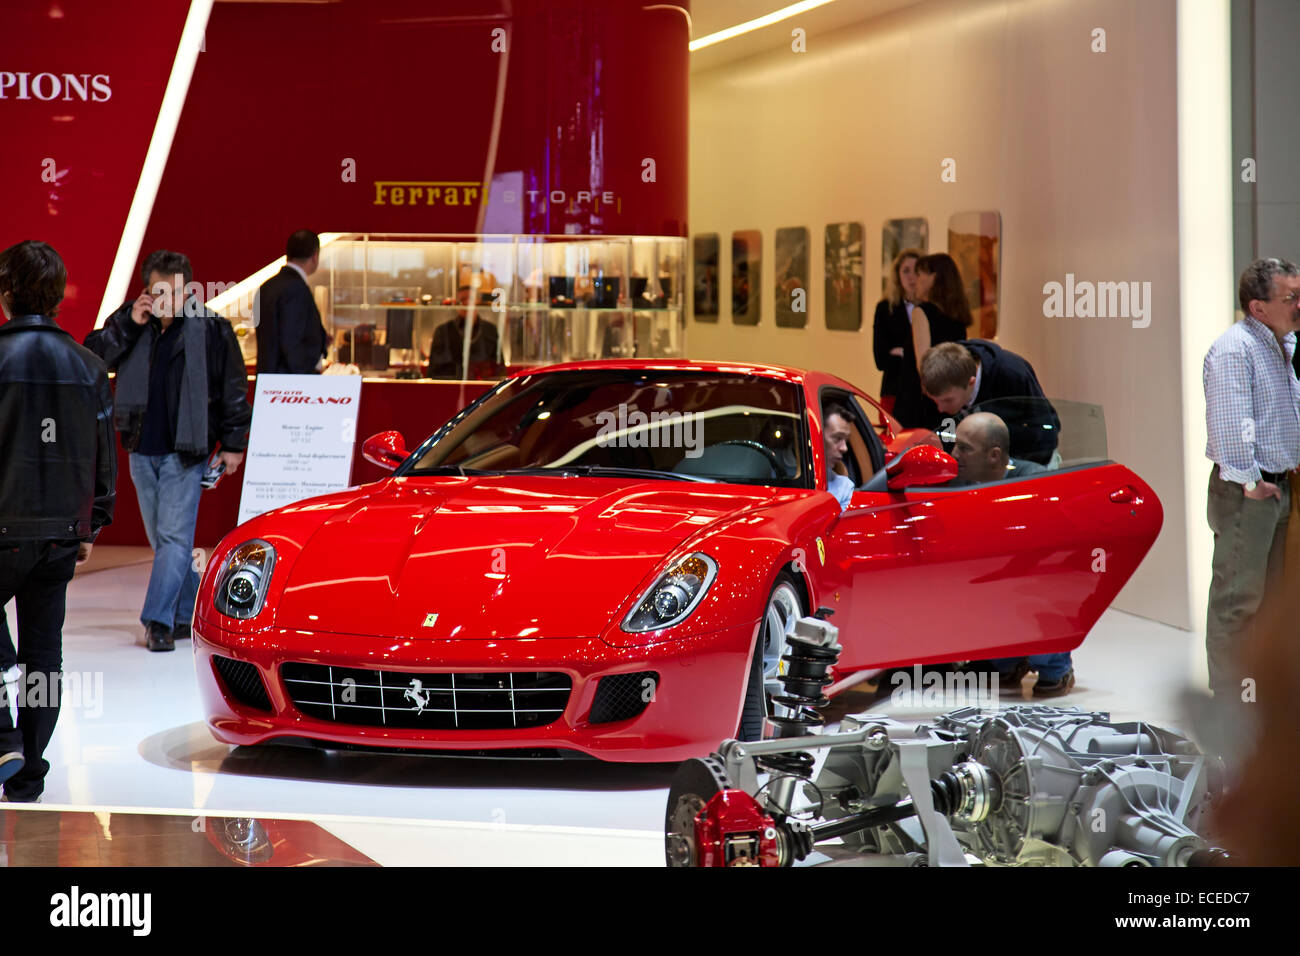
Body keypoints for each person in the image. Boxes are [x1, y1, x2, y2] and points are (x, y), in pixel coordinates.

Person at [86, 250, 252, 652]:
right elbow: (93, 358)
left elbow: (232, 387)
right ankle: (190, 612)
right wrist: (129, 324)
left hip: (187, 451)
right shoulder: (132, 320)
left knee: (175, 540)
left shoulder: (212, 328)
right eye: (161, 291)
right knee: (166, 543)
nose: (170, 300)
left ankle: (157, 622)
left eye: (177, 292)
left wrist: (233, 444)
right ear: (147, 289)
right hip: (142, 448)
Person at [0, 240, 116, 801]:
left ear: (6, 293)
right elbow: (102, 451)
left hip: (4, 528)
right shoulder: (90, 367)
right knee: (44, 657)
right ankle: (29, 771)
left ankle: (4, 739)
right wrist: (92, 522)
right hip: (61, 534)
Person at [1201, 257, 1300, 700]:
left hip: (1277, 489)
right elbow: (1229, 424)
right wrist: (1250, 483)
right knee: (1237, 603)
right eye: (1290, 297)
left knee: (1270, 602)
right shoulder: (1235, 349)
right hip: (1250, 491)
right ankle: (1230, 707)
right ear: (1258, 307)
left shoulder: (1283, 345)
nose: (1298, 305)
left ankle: (1258, 697)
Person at [920, 339, 1060, 464]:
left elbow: (1046, 432)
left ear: (971, 382)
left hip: (1028, 459)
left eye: (947, 400)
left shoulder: (1012, 373)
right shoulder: (941, 376)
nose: (940, 408)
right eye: (934, 401)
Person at [892, 252, 970, 430]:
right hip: (948, 396)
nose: (915, 280)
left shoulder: (922, 312)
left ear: (934, 278)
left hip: (920, 401)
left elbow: (923, 365)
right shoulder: (957, 317)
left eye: (919, 274)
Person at [254, 230, 328, 374]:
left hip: (268, 381)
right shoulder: (296, 289)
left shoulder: (267, 286)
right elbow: (291, 343)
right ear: (315, 256)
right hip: (288, 384)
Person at [872, 248, 923, 416]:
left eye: (916, 270)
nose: (911, 276)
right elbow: (881, 359)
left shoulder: (931, 308)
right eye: (905, 271)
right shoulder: (886, 308)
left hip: (924, 394)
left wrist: (901, 352)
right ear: (897, 276)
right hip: (893, 391)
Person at [949, 412, 1046, 485]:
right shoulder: (957, 481)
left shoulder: (1034, 480)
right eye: (955, 444)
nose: (954, 454)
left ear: (994, 455)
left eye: (964, 448)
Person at [426, 286, 500, 379]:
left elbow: (499, 369)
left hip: (484, 387)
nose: (467, 303)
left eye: (471, 299)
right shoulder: (442, 331)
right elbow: (434, 370)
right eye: (463, 299)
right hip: (451, 388)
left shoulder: (491, 330)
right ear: (456, 303)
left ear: (478, 301)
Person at [823, 403, 856, 510]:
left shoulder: (844, 487)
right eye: (837, 438)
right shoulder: (772, 471)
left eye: (846, 440)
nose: (844, 448)